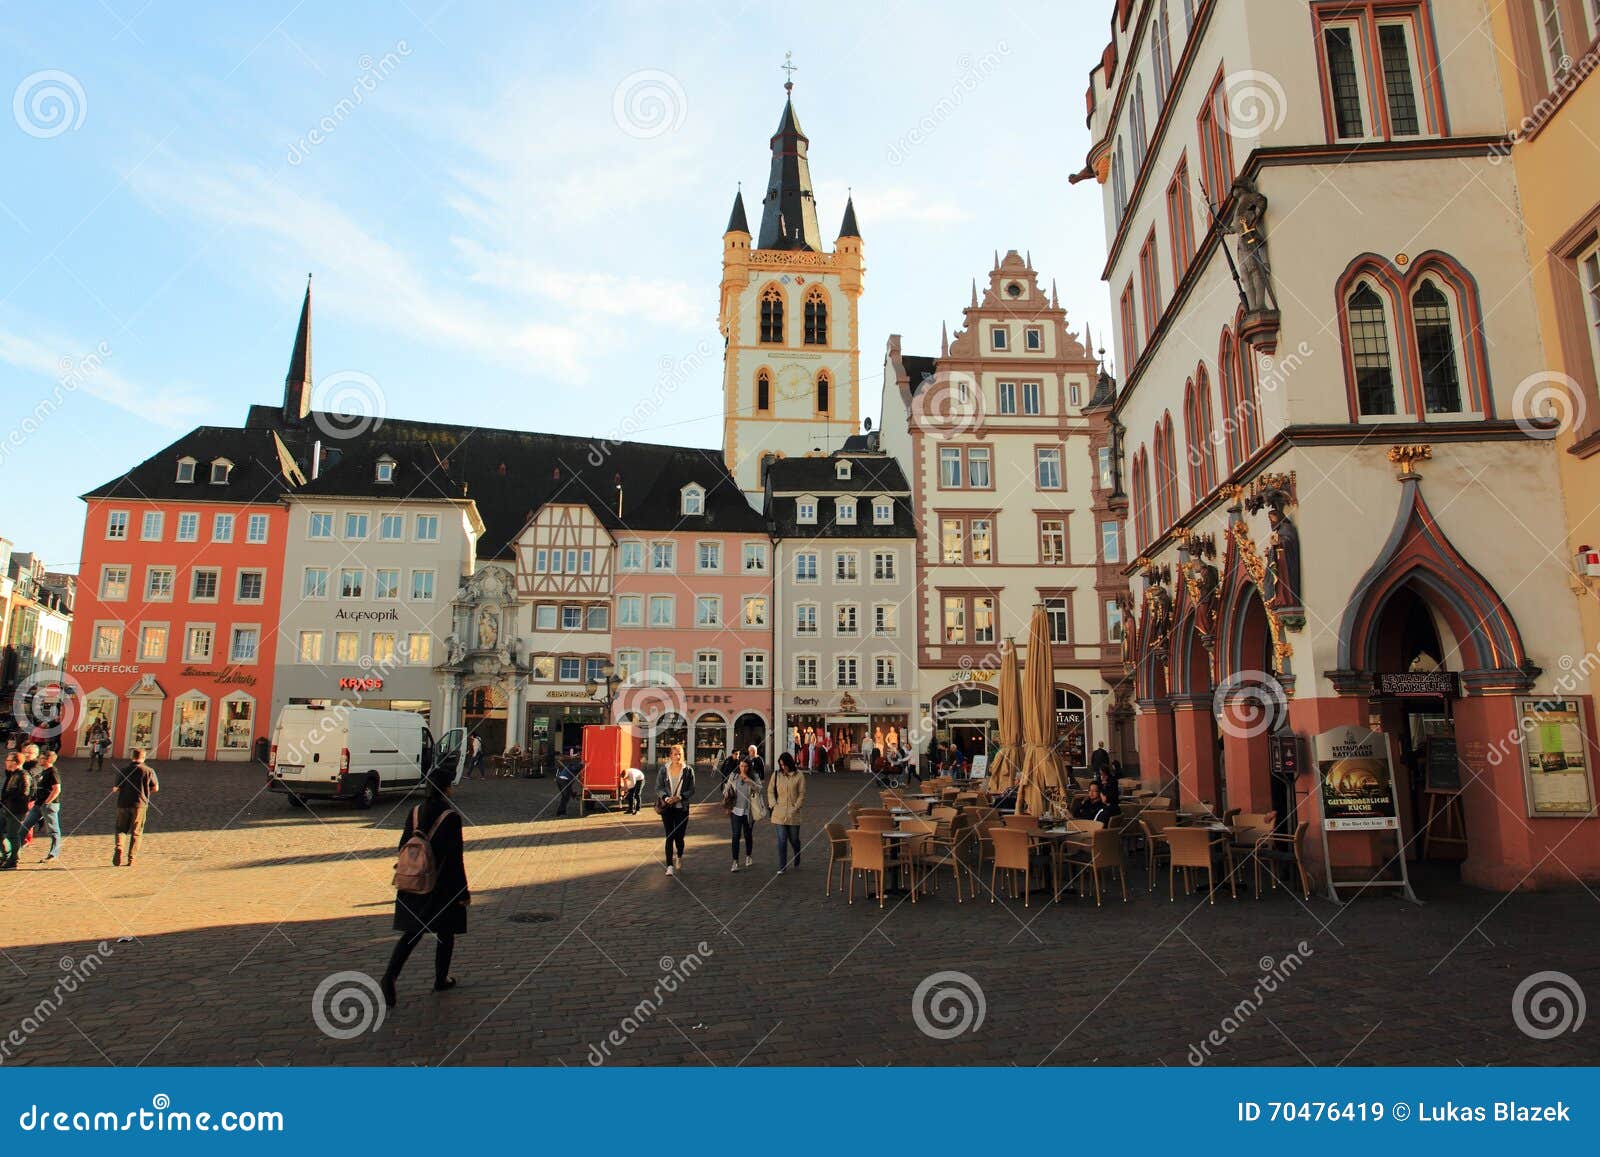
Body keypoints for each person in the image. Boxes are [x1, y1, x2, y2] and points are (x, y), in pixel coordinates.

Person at [380, 761, 469, 1007]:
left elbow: (403, 845)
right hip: (441, 884)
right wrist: (462, 891)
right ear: (447, 789)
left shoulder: (415, 811)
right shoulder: (450, 817)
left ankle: (390, 976)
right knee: (446, 933)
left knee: (411, 933)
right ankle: (441, 978)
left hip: (414, 879)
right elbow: (454, 858)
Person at [110, 748, 160, 866]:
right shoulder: (148, 770)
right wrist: (146, 792)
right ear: (144, 757)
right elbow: (156, 788)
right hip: (140, 804)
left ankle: (119, 847)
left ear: (132, 757)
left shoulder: (123, 770)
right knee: (136, 831)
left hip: (123, 803)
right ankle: (131, 858)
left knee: (121, 829)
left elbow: (115, 788)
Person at [655, 744, 694, 877]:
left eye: (679, 754)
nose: (677, 756)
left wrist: (679, 797)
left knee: (679, 836)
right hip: (667, 808)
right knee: (669, 836)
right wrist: (666, 798)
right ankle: (669, 866)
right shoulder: (663, 770)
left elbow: (691, 789)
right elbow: (658, 787)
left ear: (682, 755)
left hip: (681, 808)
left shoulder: (688, 770)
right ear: (670, 755)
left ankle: (679, 856)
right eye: (674, 754)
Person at [767, 750, 806, 874]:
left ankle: (797, 853)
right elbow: (770, 791)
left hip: (793, 813)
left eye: (784, 765)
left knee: (794, 839)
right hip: (779, 812)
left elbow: (802, 793)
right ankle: (782, 866)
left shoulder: (799, 775)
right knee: (782, 839)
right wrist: (773, 804)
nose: (783, 767)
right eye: (781, 765)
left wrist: (796, 807)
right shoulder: (776, 775)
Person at [20, 749, 62, 861]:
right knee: (24, 827)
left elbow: (57, 789)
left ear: (48, 759)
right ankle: (14, 852)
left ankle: (54, 853)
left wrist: (47, 802)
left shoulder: (53, 772)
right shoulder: (44, 771)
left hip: (48, 806)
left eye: (42, 758)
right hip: (38, 805)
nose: (39, 759)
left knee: (53, 830)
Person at [722, 757, 762, 872]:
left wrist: (749, 781)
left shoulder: (754, 776)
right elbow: (726, 790)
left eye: (745, 766)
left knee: (748, 834)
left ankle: (748, 856)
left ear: (749, 767)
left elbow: (759, 789)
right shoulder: (733, 776)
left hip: (748, 811)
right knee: (735, 835)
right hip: (735, 810)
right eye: (741, 766)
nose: (743, 768)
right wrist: (726, 795)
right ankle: (735, 862)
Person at [1, 753, 28, 870]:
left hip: (16, 811)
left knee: (13, 835)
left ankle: (14, 860)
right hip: (6, 808)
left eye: (8, 760)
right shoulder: (12, 774)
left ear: (15, 762)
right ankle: (5, 855)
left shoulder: (23, 775)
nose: (6, 762)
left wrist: (9, 796)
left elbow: (25, 793)